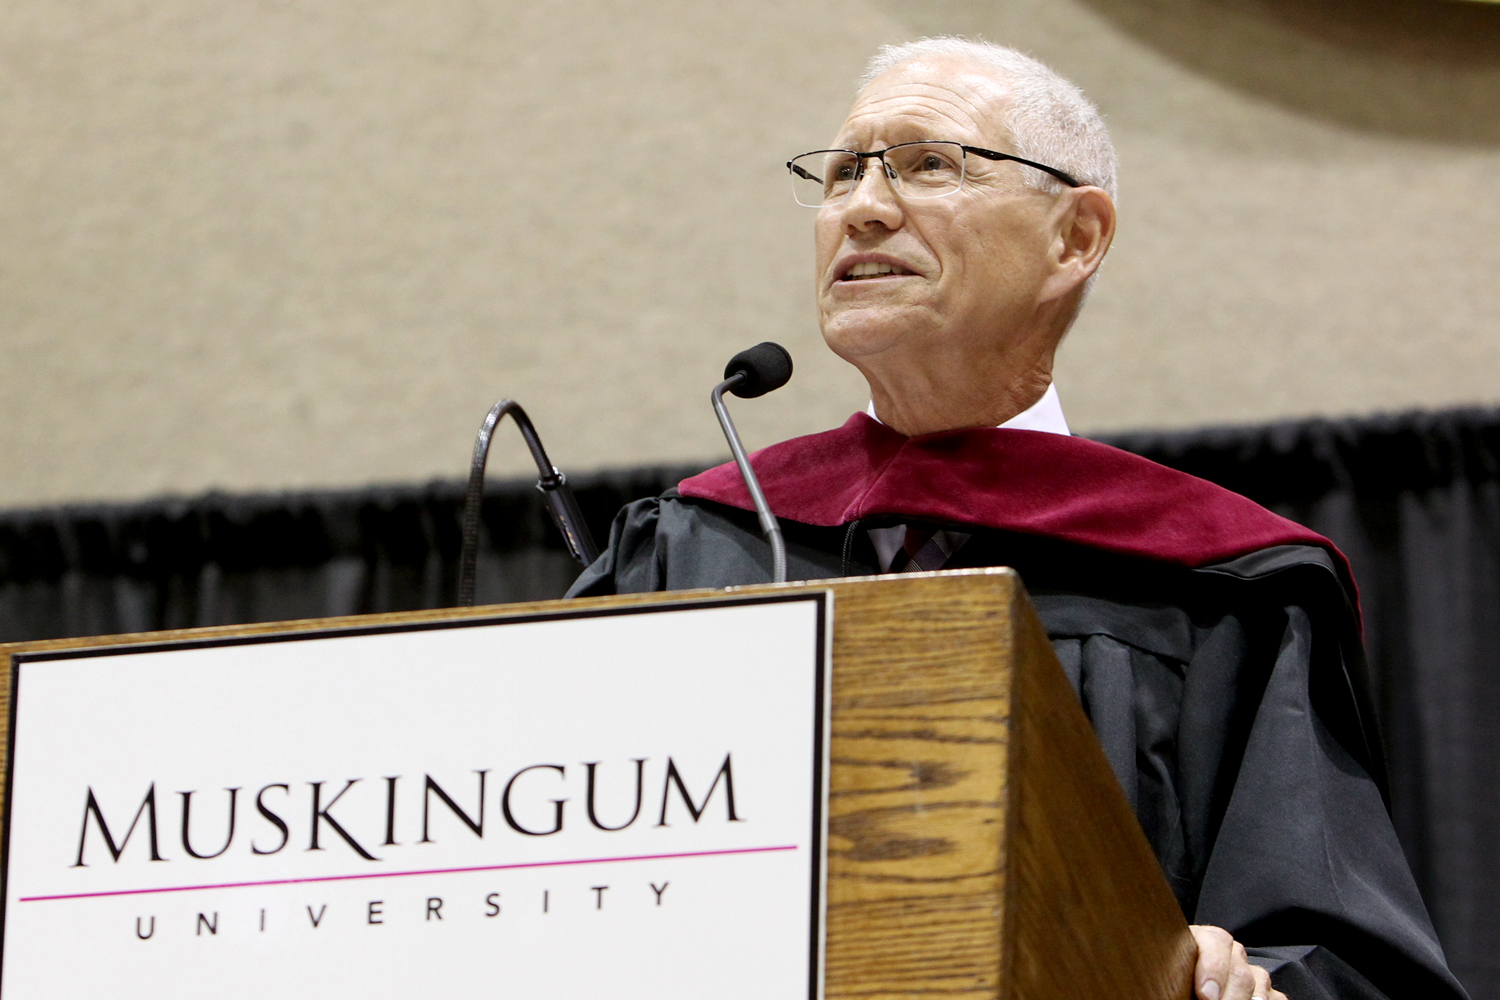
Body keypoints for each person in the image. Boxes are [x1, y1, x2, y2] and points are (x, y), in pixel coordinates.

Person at [568, 37, 1466, 1000]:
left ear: (1074, 237)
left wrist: (1238, 982)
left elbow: (1341, 956)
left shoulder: (1214, 585)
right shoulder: (689, 547)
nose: (864, 207)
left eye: (928, 164)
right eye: (841, 173)